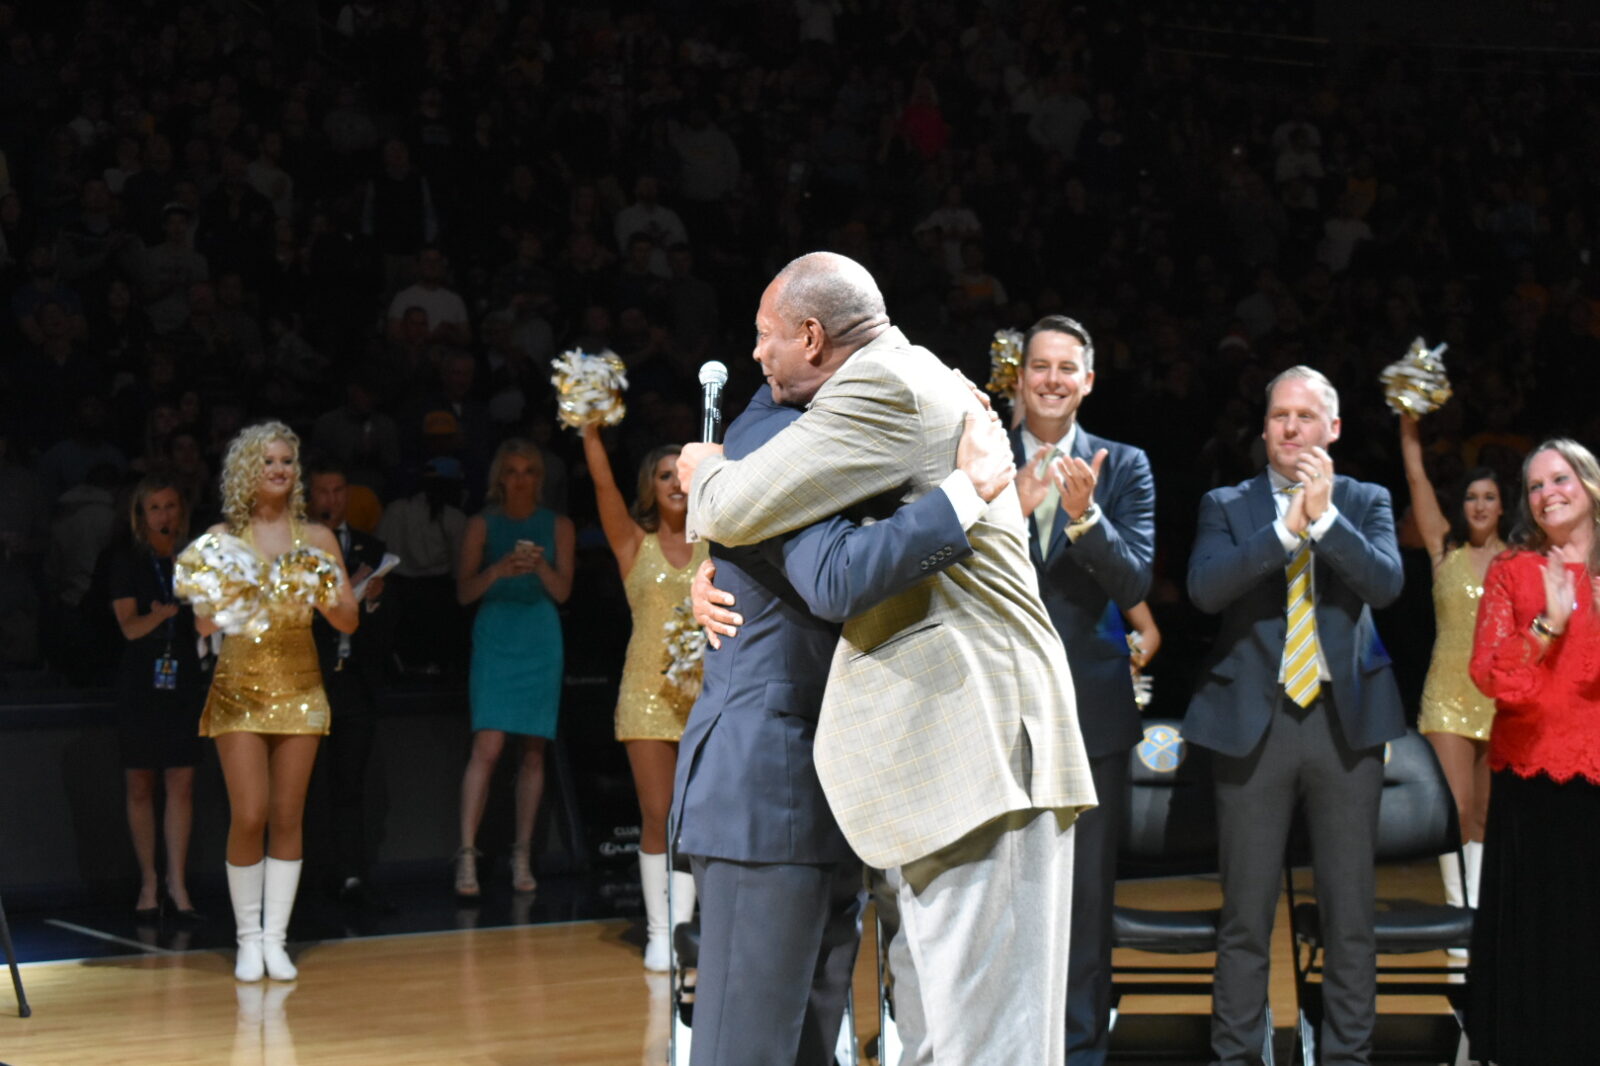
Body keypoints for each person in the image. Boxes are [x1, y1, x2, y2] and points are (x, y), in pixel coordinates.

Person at [678, 251, 1093, 1066]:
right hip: (944, 763)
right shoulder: (906, 378)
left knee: (988, 1046)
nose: (755, 356)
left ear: (811, 336)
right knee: (947, 1038)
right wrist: (724, 566)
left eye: (766, 336)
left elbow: (743, 513)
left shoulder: (882, 387)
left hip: (980, 750)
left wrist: (707, 474)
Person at [681, 380, 1005, 1065]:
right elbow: (836, 579)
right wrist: (966, 492)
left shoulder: (849, 429)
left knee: (809, 1044)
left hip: (837, 788)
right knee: (745, 1049)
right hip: (765, 789)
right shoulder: (771, 431)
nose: (759, 354)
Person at [1185, 366, 1404, 1066]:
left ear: (1332, 429)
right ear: (1264, 428)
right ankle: (1236, 1056)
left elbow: (1386, 584)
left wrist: (1326, 519)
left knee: (1350, 916)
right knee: (1245, 918)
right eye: (1280, 415)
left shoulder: (1365, 500)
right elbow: (1205, 589)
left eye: (1306, 416)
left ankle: (1347, 1057)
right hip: (1255, 725)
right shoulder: (1227, 503)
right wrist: (1284, 531)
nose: (1291, 427)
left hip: (1345, 726)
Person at [1006, 314, 1155, 1066]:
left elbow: (1135, 582)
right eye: (1041, 366)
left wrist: (1083, 517)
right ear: (1020, 375)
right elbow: (940, 562)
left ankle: (1081, 1051)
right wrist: (1013, 507)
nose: (1053, 380)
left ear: (1088, 381)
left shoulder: (1124, 466)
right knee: (998, 896)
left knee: (1086, 901)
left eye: (1068, 368)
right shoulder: (979, 454)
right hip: (995, 708)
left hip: (1090, 712)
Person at [191, 422, 359, 982]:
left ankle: (275, 940)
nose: (280, 470)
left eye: (287, 461)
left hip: (301, 685)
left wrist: (321, 594)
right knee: (250, 813)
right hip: (239, 685)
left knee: (289, 814)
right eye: (268, 462)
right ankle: (246, 939)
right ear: (247, 470)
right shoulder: (221, 537)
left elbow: (348, 620)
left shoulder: (318, 538)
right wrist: (244, 591)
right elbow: (203, 623)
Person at [1467, 439, 1600, 1065]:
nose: (1548, 494)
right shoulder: (1513, 570)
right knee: (1544, 936)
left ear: (1590, 484)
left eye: (1560, 479)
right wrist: (1548, 624)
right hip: (1534, 780)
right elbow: (1493, 676)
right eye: (1537, 485)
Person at [580, 425, 708, 970]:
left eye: (682, 474)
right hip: (647, 693)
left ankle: (689, 929)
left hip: (707, 694)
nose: (675, 483)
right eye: (663, 475)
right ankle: (661, 932)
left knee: (697, 818)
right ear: (649, 488)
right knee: (659, 814)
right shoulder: (634, 543)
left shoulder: (718, 543)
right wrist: (590, 433)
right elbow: (603, 487)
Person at [453, 439, 574, 899]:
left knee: (534, 751)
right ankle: (467, 854)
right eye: (512, 471)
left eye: (529, 471)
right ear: (499, 478)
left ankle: (522, 852)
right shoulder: (482, 524)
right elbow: (464, 592)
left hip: (539, 634)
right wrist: (499, 570)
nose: (520, 479)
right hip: (497, 633)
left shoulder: (558, 525)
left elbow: (563, 592)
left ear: (539, 479)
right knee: (487, 746)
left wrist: (539, 566)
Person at [1398, 414, 1505, 913]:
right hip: (1447, 692)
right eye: (1471, 497)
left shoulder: (1520, 558)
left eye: (1489, 497)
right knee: (1455, 806)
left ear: (1502, 505)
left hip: (1500, 693)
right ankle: (1457, 909)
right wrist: (1408, 423)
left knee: (1484, 812)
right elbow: (1416, 477)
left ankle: (1477, 915)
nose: (1479, 505)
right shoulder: (1444, 548)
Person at [108, 474, 205, 919]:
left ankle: (177, 883)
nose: (164, 515)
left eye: (170, 506)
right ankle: (149, 882)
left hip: (183, 678)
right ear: (140, 516)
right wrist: (160, 616)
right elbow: (129, 627)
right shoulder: (127, 560)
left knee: (181, 781)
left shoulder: (194, 558)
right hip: (140, 682)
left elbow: (209, 618)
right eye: (155, 508)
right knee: (140, 782)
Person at [306, 460, 389, 905]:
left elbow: (387, 623)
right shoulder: (298, 547)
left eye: (339, 490)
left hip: (354, 680)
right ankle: (307, 879)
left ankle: (352, 875)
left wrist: (373, 601)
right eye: (323, 490)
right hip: (309, 678)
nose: (332, 499)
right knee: (304, 784)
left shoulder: (369, 547)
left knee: (350, 783)